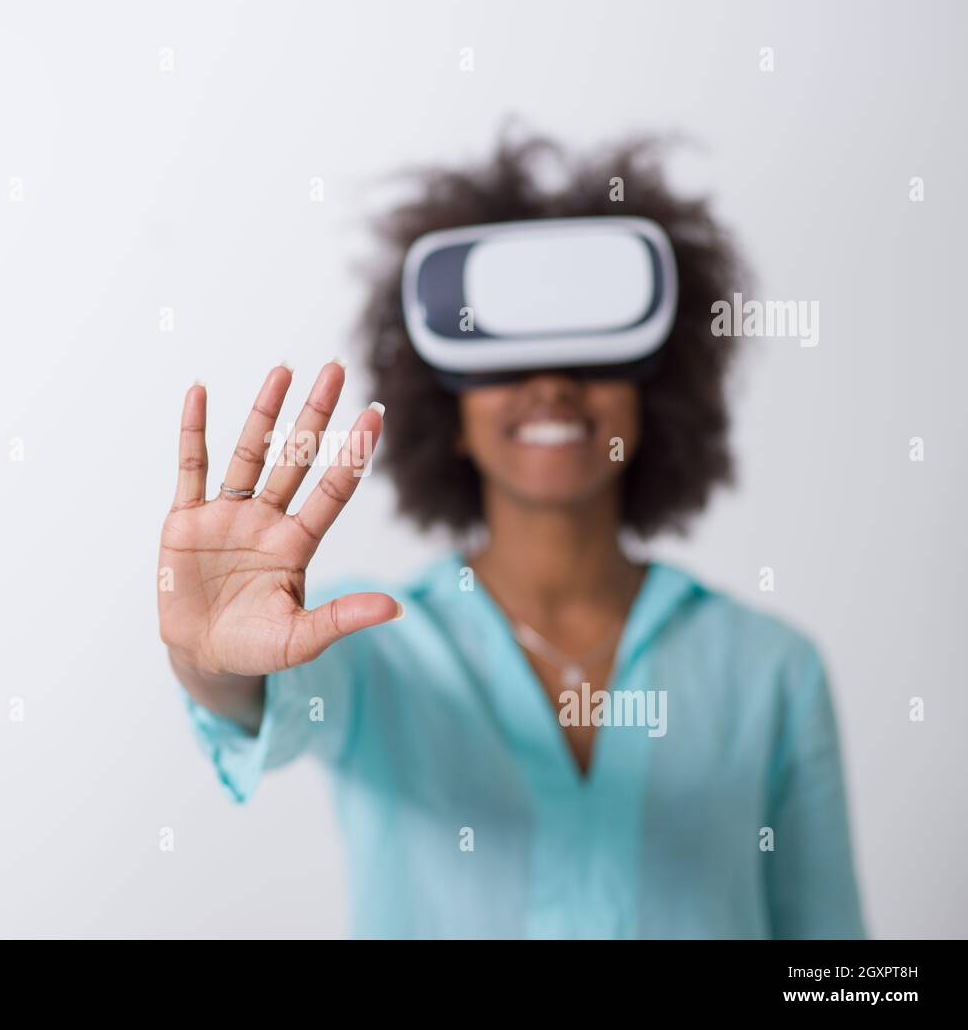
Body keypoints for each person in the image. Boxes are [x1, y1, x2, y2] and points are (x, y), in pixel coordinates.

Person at [156, 131, 865, 939]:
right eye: (505, 361)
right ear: (446, 408)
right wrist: (207, 658)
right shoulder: (371, 638)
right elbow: (263, 698)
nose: (552, 386)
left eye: (590, 354)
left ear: (654, 394)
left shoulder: (772, 670)